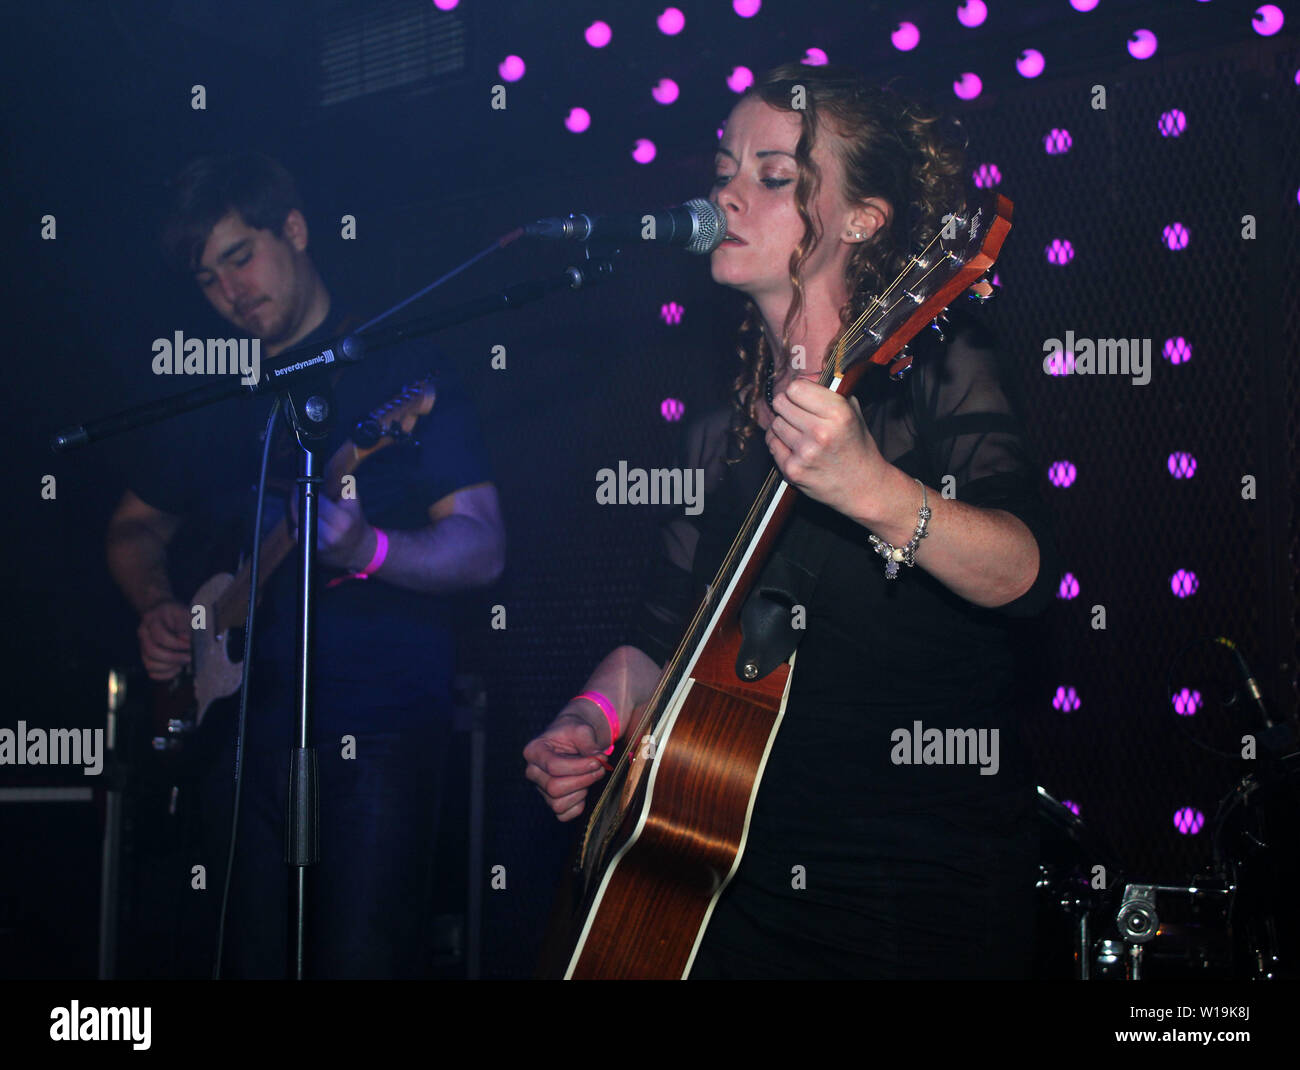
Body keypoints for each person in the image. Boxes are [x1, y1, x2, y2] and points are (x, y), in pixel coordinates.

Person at [523, 63, 1060, 979]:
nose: (727, 194)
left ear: (863, 220)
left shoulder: (934, 368)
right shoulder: (719, 432)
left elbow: (1024, 573)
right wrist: (590, 714)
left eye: (774, 176)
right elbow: (660, 644)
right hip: (726, 870)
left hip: (911, 885)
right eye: (724, 169)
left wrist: (871, 487)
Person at [106, 152, 504, 978]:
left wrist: (369, 550)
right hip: (234, 738)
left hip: (377, 728)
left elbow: (483, 547)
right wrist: (157, 605)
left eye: (240, 257)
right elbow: (132, 529)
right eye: (208, 279)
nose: (230, 291)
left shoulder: (399, 369)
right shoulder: (215, 394)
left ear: (293, 228)